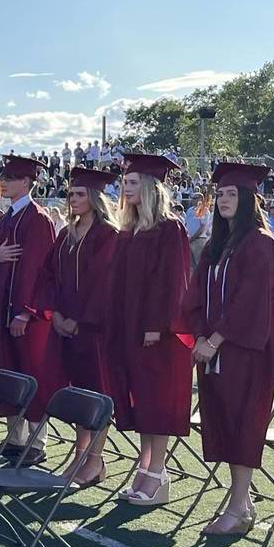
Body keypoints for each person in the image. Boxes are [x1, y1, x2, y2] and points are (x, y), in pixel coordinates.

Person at [186, 162, 274, 536]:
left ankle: (238, 504)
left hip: (246, 351)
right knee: (223, 421)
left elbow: (250, 302)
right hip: (214, 351)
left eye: (233, 194)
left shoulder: (260, 243)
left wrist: (214, 340)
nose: (225, 200)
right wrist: (199, 335)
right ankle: (241, 504)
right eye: (221, 194)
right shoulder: (216, 245)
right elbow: (196, 295)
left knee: (242, 422)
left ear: (248, 200)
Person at [106, 154, 194, 507]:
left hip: (156, 336)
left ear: (150, 187)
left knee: (156, 404)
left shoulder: (169, 228)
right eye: (124, 183)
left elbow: (172, 283)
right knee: (139, 400)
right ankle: (145, 468)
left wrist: (156, 326)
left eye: (132, 183)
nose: (125, 189)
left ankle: (157, 473)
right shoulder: (130, 230)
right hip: (130, 330)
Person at [34, 167, 120, 486]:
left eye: (80, 194)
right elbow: (48, 275)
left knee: (96, 394)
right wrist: (54, 312)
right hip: (64, 327)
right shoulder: (66, 233)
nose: (73, 199)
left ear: (95, 198)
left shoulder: (108, 235)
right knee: (76, 393)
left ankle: (95, 461)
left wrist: (79, 319)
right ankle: (80, 455)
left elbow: (105, 284)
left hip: (94, 330)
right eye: (70, 193)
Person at [0, 155, 63, 466]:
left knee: (32, 373)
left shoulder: (38, 219)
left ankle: (37, 441)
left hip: (27, 318)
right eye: (2, 177)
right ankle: (15, 439)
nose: (2, 182)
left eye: (10, 177)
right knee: (9, 372)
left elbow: (40, 271)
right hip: (3, 313)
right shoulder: (5, 219)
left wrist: (25, 312)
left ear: (27, 183)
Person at [184, 191, 214, 268]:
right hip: (189, 239)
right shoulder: (190, 209)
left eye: (194, 198)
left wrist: (192, 238)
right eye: (192, 198)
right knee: (190, 265)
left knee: (199, 264)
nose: (192, 200)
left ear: (200, 199)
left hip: (199, 240)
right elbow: (186, 224)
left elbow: (202, 227)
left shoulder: (203, 210)